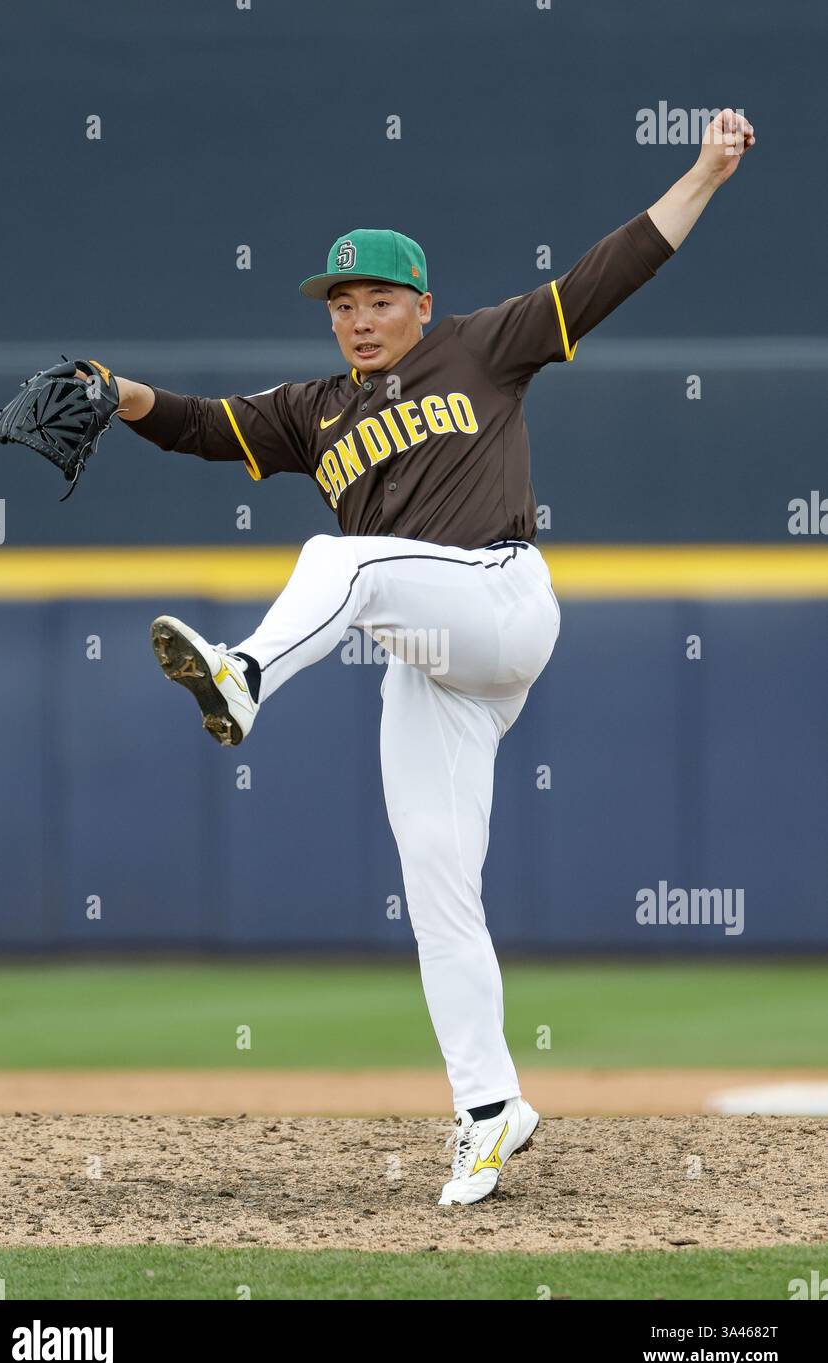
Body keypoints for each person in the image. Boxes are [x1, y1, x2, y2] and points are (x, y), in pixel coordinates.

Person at [113, 108, 754, 1206]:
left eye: (376, 301)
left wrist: (700, 174)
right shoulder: (310, 411)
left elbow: (613, 269)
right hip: (429, 657)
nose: (357, 319)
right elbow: (200, 425)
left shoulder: (481, 345)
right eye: (342, 305)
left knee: (341, 559)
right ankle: (490, 1109)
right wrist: (112, 391)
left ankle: (246, 676)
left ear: (420, 302)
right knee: (437, 885)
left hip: (501, 600)